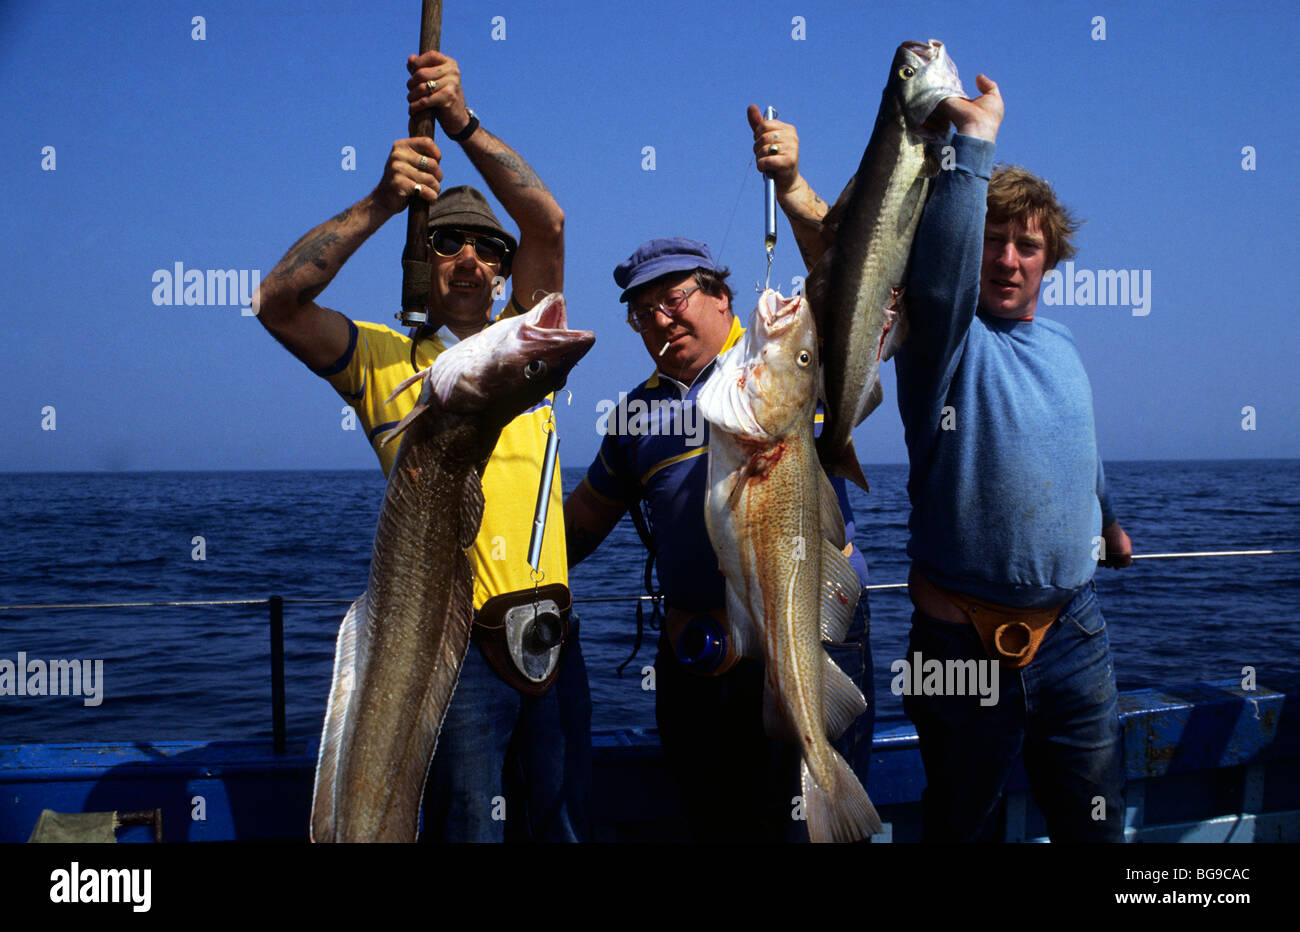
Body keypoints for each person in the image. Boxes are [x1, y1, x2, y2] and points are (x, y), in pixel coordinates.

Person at [253, 50, 589, 842]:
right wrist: (382, 200)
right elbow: (276, 301)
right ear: (420, 265)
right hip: (455, 650)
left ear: (508, 277)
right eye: (447, 245)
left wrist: (463, 122)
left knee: (562, 827)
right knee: (465, 829)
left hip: (553, 637)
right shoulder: (382, 361)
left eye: (488, 250)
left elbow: (548, 219)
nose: (471, 259)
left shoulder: (526, 351)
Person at [562, 109, 873, 843]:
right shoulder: (633, 417)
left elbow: (845, 275)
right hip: (702, 663)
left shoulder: (790, 363)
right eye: (643, 312)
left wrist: (792, 184)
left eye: (675, 299)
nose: (661, 319)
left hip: (812, 635)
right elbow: (579, 528)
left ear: (723, 297)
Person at [893, 74, 1133, 841]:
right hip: (961, 648)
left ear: (1049, 259)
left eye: (1026, 244)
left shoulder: (1063, 347)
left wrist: (1109, 522)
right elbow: (935, 282)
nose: (1006, 257)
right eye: (992, 238)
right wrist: (974, 144)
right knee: (965, 829)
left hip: (1076, 634)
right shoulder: (941, 344)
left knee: (1094, 828)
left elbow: (1078, 451)